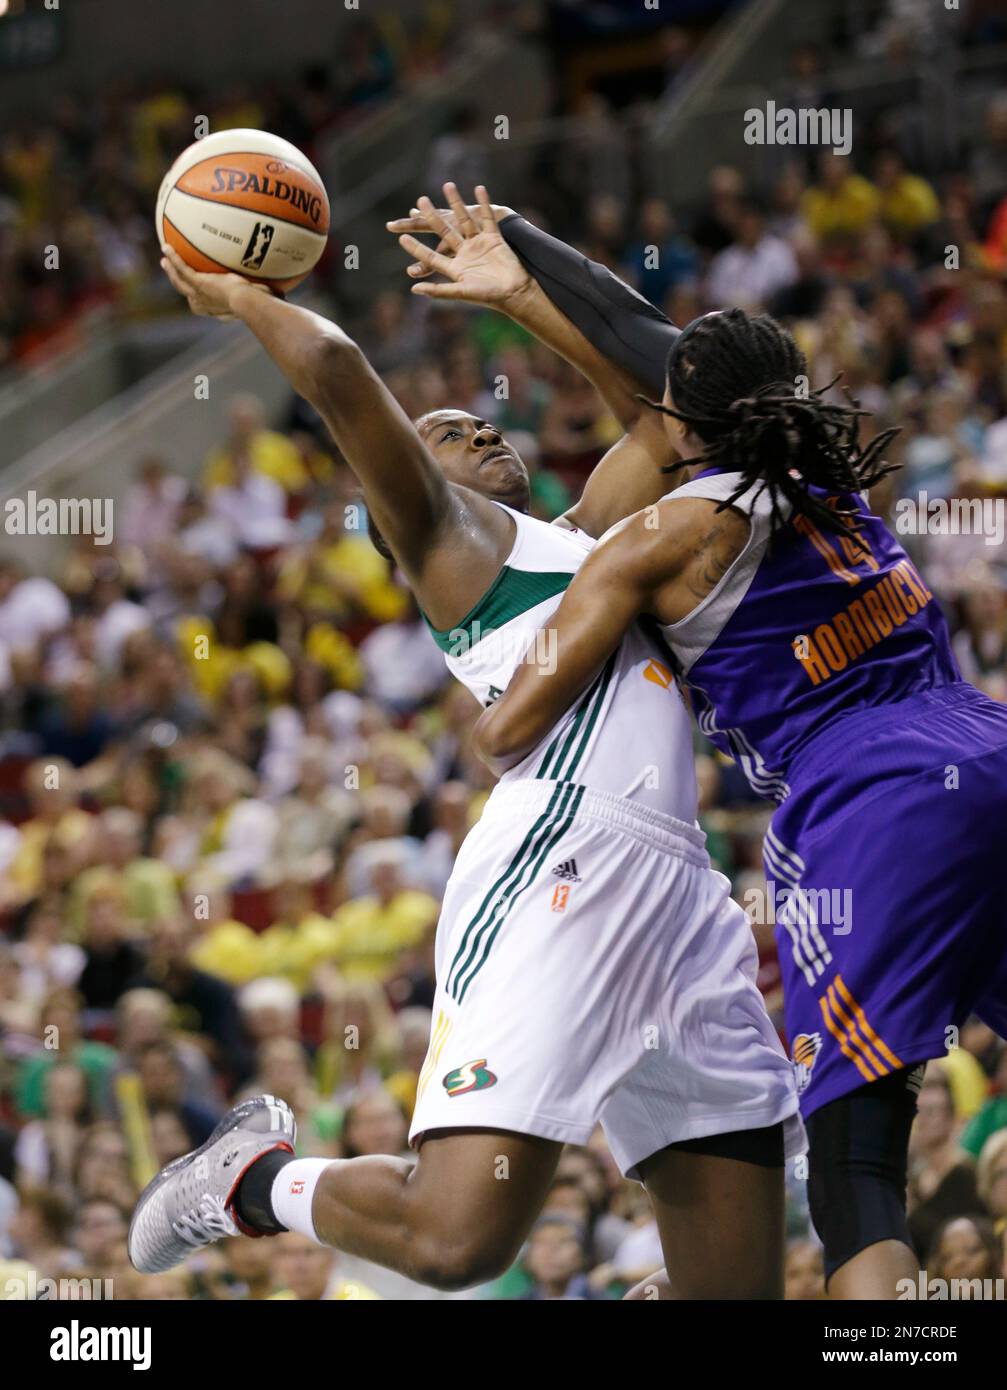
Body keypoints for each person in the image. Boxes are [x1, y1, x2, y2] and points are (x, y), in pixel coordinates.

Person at [128, 186, 801, 1297]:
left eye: (481, 420)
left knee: (739, 1290)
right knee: (457, 1244)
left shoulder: (584, 538)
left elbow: (667, 410)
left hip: (682, 889)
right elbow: (343, 374)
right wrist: (244, 295)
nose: (476, 426)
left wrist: (524, 293)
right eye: (442, 431)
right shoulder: (453, 547)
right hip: (562, 862)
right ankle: (253, 1178)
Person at [472, 303, 1007, 1299]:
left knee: (855, 1171)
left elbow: (503, 732)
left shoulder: (654, 540)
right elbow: (646, 352)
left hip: (868, 800)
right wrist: (522, 284)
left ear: (676, 427)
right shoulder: (831, 480)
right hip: (985, 739)